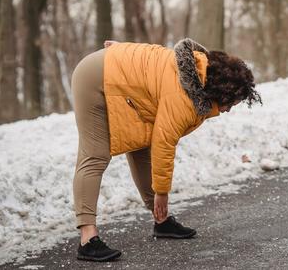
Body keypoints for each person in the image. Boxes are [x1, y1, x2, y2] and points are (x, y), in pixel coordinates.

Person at [71, 38, 260, 261]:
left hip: (118, 74)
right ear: (223, 92)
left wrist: (122, 51)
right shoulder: (184, 98)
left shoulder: (198, 72)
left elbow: (153, 63)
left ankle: (161, 221)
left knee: (141, 143)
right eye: (232, 103)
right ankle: (87, 237)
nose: (229, 110)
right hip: (93, 79)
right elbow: (165, 143)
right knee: (95, 155)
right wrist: (162, 193)